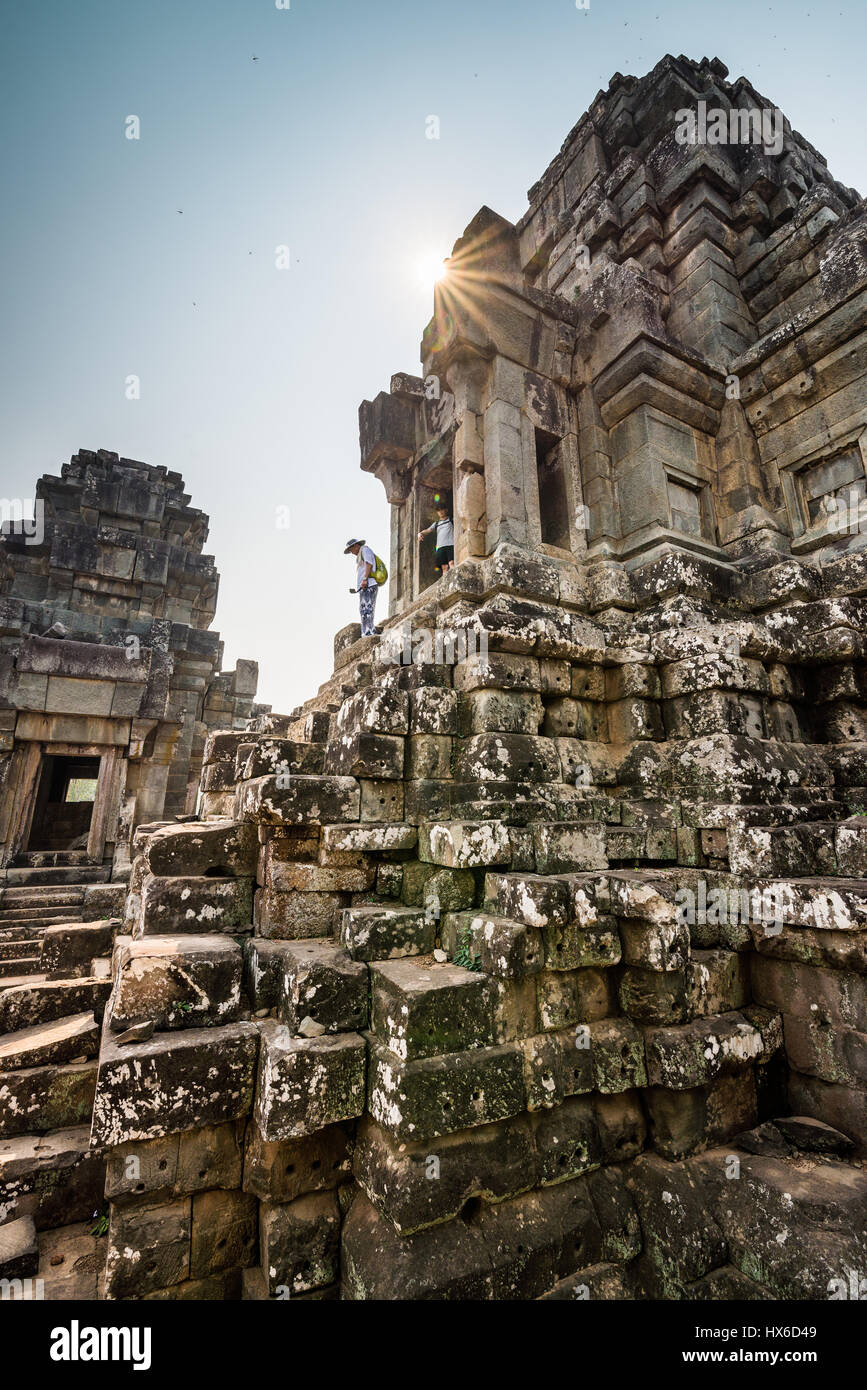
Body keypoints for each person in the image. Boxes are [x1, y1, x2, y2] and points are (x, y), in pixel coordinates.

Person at [344, 537, 378, 636]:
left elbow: (369, 564)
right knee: (364, 610)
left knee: (367, 609)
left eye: (351, 550)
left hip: (369, 584)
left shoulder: (365, 550)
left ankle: (369, 631)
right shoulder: (361, 554)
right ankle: (366, 631)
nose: (352, 552)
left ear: (355, 546)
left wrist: (364, 579)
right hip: (365, 586)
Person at [418, 501, 454, 573]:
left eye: (442, 509)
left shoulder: (451, 520)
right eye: (438, 510)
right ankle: (445, 584)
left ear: (446, 510)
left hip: (450, 545)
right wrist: (420, 533)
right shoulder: (436, 524)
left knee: (452, 564)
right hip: (440, 547)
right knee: (444, 568)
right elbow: (428, 530)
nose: (440, 512)